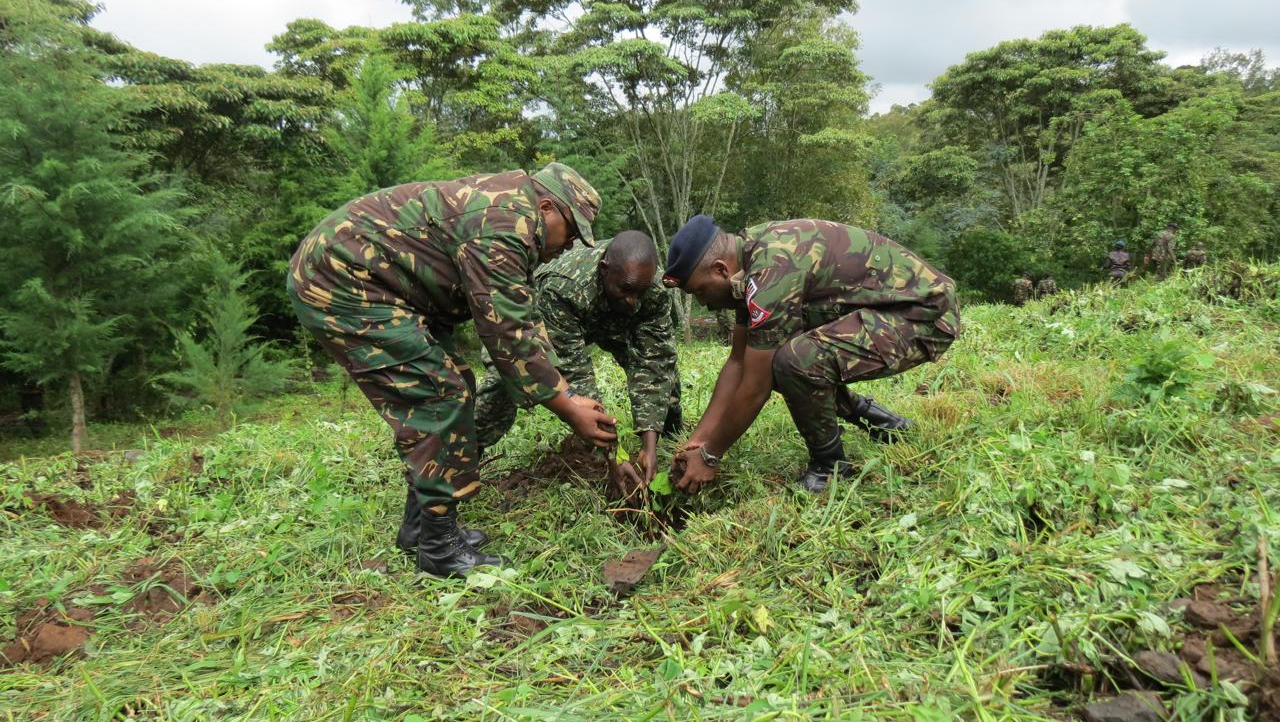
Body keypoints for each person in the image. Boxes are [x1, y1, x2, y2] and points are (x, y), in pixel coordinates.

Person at [287, 164, 619, 578]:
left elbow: (521, 316)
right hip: (342, 281)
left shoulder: (512, 215)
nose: (569, 245)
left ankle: (420, 531)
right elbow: (506, 333)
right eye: (570, 232)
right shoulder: (504, 222)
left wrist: (565, 388)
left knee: (454, 385)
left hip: (383, 285)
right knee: (440, 398)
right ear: (547, 207)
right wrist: (567, 406)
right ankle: (440, 551)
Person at [662, 215, 959, 494]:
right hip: (888, 311)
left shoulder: (772, 269)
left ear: (720, 270)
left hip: (923, 316)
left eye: (699, 292)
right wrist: (697, 442)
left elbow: (755, 386)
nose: (704, 303)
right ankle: (885, 425)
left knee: (792, 361)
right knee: (779, 357)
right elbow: (738, 362)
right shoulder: (747, 262)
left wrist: (711, 455)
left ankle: (831, 467)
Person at [473, 230, 681, 494]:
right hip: (535, 321)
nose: (633, 302)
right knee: (504, 384)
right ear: (605, 270)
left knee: (666, 380)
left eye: (641, 292)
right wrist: (613, 456)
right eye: (627, 290)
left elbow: (655, 364)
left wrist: (649, 443)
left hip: (610, 317)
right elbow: (577, 379)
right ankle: (461, 464)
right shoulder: (563, 287)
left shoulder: (653, 290)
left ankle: (666, 444)